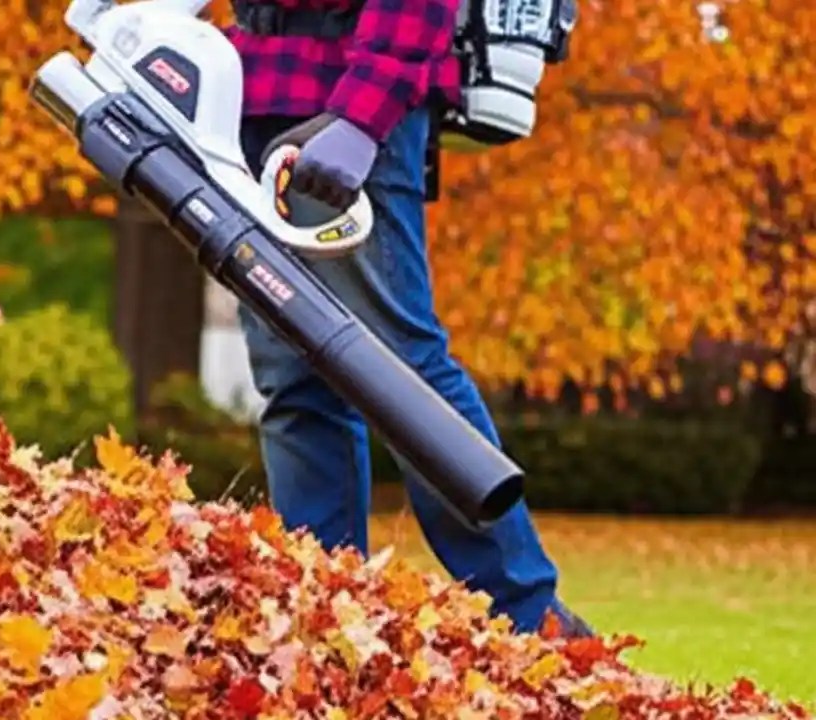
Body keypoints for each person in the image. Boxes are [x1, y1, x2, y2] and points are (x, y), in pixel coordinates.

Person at [224, 0, 593, 637]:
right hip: (256, 91)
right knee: (293, 380)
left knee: (403, 371)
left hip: (351, 97)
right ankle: (325, 615)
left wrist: (361, 120)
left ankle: (531, 619)